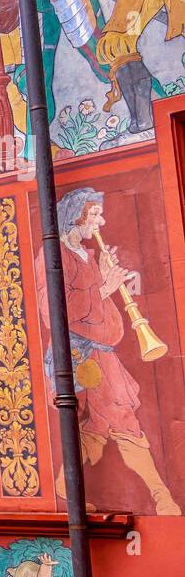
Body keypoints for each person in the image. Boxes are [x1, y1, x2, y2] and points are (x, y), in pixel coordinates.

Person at [36, 187, 181, 515]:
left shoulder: (85, 253)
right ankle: (160, 495)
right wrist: (104, 285)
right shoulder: (53, 255)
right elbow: (53, 311)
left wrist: (107, 274)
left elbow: (95, 302)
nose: (101, 221)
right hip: (79, 356)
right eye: (95, 214)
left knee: (105, 423)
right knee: (118, 419)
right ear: (77, 216)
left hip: (102, 353)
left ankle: (65, 484)